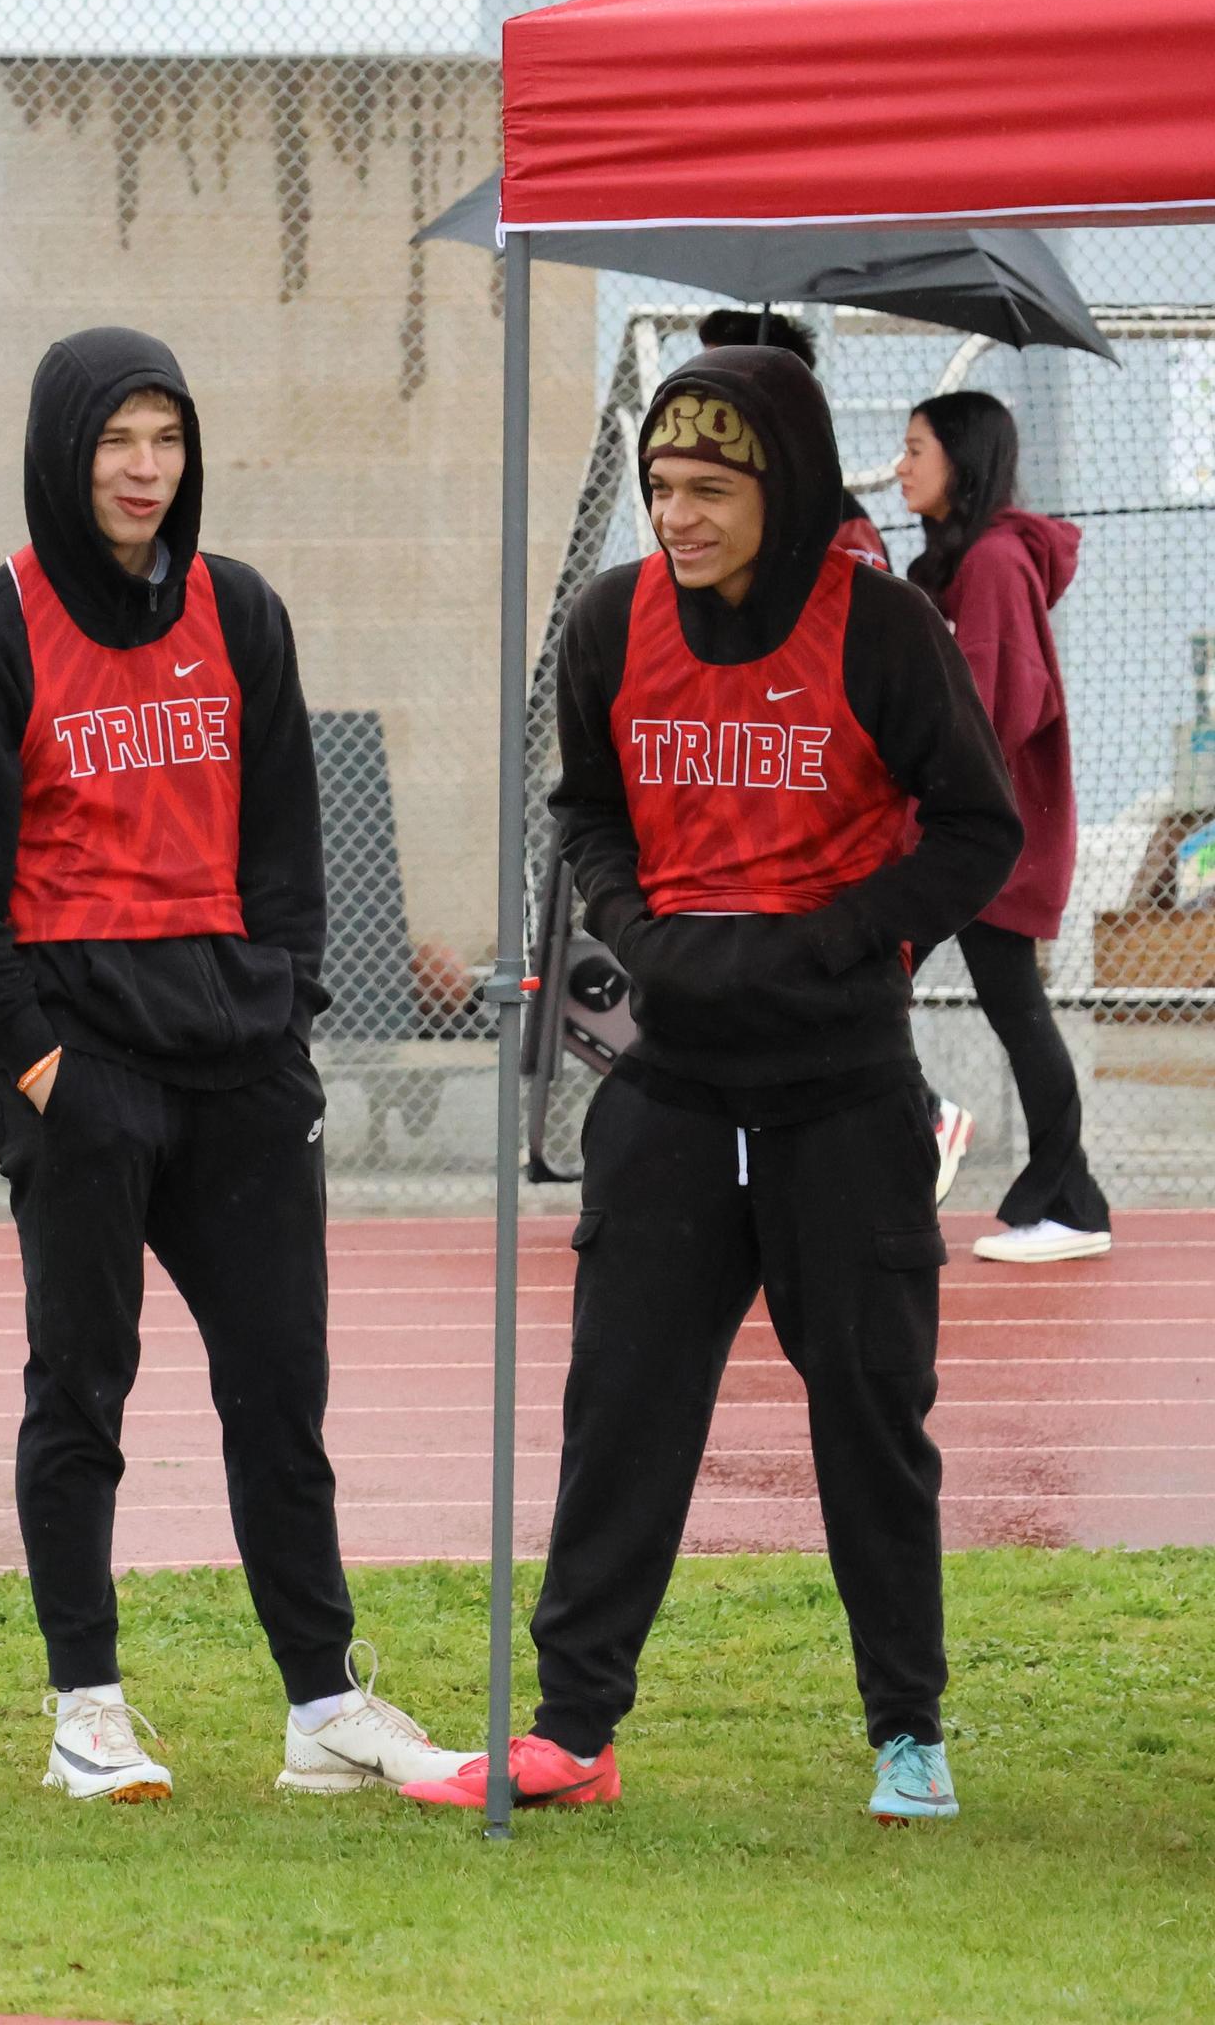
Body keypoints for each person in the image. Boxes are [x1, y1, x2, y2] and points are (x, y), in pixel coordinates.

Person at [405, 346, 1021, 1823]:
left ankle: (907, 1732)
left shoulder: (880, 629)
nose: (678, 517)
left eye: (712, 490)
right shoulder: (613, 624)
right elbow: (587, 814)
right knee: (623, 1402)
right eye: (663, 488)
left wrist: (834, 939)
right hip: (669, 1091)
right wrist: (640, 938)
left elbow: (975, 830)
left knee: (871, 1407)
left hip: (840, 1091)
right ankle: (572, 1732)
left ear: (786, 487)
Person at [0, 326, 473, 1803]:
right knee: (79, 1390)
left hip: (243, 1076)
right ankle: (87, 1711)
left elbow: (288, 848)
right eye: (116, 441)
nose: (146, 469)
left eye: (165, 439)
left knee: (280, 1388)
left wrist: (280, 1016)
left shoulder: (246, 613)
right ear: (60, 453)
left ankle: (322, 1707)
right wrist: (44, 1072)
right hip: (84, 1080)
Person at [898, 391, 1113, 1261]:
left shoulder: (993, 563)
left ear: (963, 460)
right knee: (997, 1000)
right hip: (972, 828)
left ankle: (1057, 1193)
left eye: (916, 448)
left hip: (981, 835)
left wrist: (922, 799)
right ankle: (1070, 1196)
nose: (901, 464)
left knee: (882, 971)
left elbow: (998, 705)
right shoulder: (970, 562)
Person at [697, 309, 890, 568]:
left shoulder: (837, 520)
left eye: (716, 378)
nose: (699, 394)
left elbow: (865, 606)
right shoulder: (693, 501)